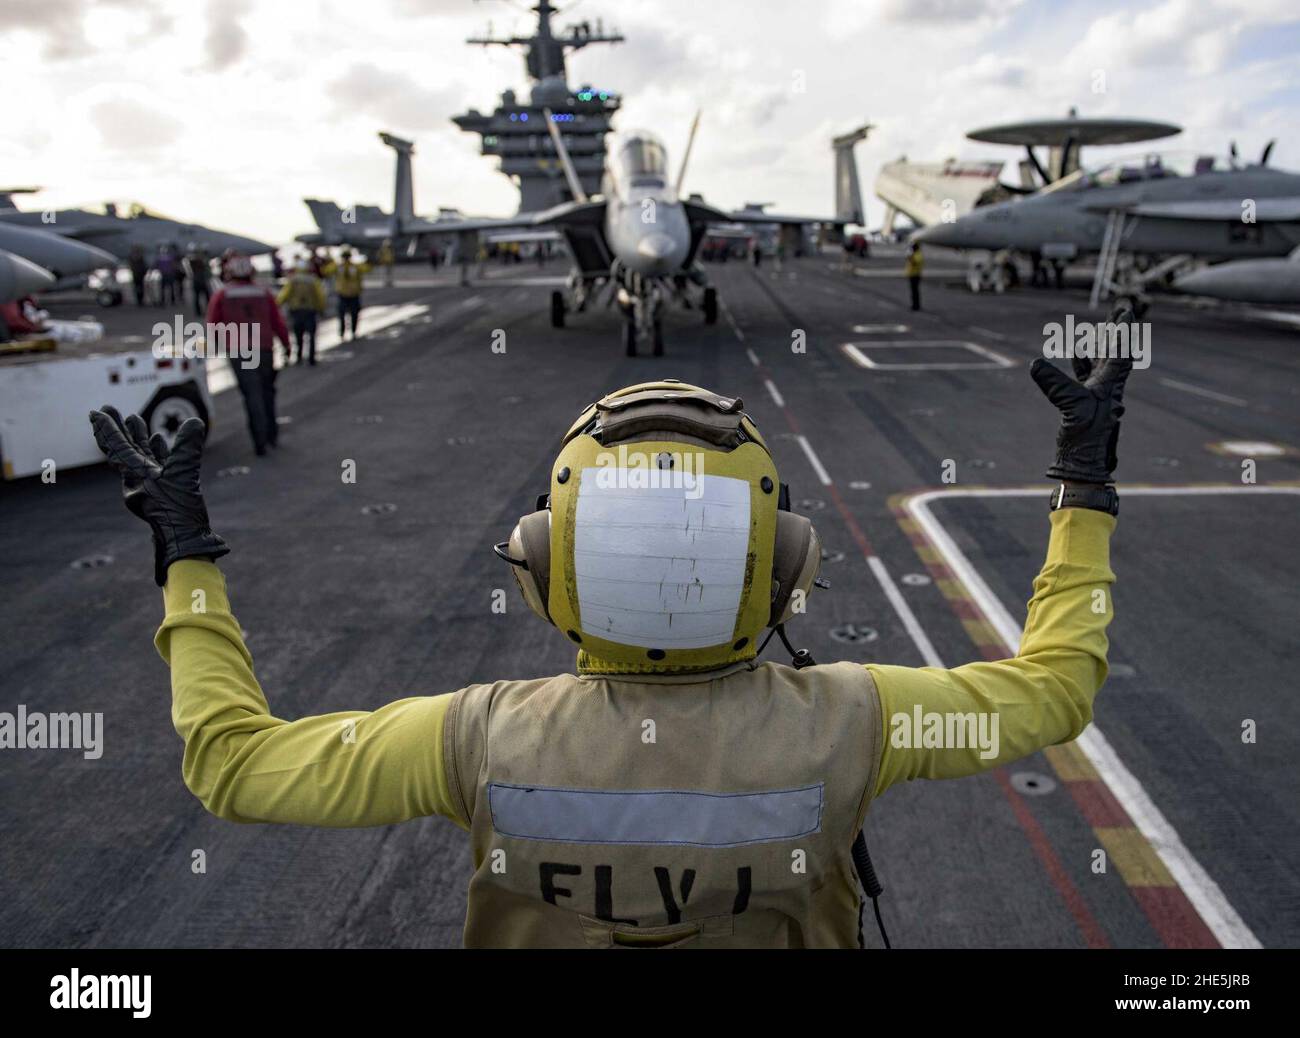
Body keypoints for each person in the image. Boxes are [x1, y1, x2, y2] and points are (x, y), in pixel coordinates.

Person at [88, 325, 1135, 948]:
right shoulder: (861, 722)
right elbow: (1054, 689)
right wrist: (1080, 489)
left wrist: (187, 561)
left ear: (548, 570)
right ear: (782, 571)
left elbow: (233, 766)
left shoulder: (472, 740)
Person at [205, 253, 290, 456]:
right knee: (267, 391)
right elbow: (278, 322)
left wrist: (218, 344)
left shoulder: (222, 294)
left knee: (252, 395)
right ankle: (272, 434)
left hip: (239, 351)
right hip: (264, 349)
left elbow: (213, 324)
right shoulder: (264, 293)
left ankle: (259, 440)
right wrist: (287, 345)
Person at [276, 260, 327, 365]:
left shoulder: (293, 280)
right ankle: (311, 358)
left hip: (296, 311)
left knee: (298, 335)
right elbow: (320, 296)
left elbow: (284, 294)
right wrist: (321, 309)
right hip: (310, 311)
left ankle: (298, 357)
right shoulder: (313, 280)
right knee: (311, 335)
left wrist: (277, 305)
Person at [324, 249, 369, 340]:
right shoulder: (339, 266)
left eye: (346, 257)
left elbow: (366, 269)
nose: (346, 259)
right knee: (343, 314)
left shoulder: (354, 267)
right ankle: (343, 331)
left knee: (353, 314)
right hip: (344, 294)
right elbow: (327, 271)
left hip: (353, 294)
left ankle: (352, 331)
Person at [187, 244, 213, 316]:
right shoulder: (200, 260)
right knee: (207, 296)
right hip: (201, 280)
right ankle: (209, 310)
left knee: (197, 297)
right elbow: (206, 269)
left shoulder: (191, 260)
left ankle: (198, 312)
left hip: (196, 280)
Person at [904, 241, 924, 311]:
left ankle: (916, 305)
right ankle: (914, 304)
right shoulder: (915, 254)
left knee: (915, 292)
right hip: (912, 274)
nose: (912, 248)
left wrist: (910, 257)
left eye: (913, 246)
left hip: (915, 275)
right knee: (913, 291)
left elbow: (914, 262)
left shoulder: (918, 254)